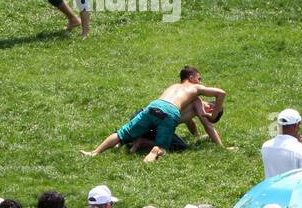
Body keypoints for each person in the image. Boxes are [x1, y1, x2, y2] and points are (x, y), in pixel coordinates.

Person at [83, 66, 226, 162]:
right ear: (191, 77)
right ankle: (156, 150)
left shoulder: (174, 86)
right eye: (199, 78)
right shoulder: (196, 91)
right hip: (170, 112)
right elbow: (221, 94)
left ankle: (94, 152)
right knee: (164, 146)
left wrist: (197, 134)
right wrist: (213, 117)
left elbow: (192, 122)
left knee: (122, 133)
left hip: (154, 106)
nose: (201, 82)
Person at [261, 108, 302, 178]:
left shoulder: (265, 147)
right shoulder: (301, 150)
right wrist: (300, 145)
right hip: (293, 189)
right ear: (296, 126)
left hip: (271, 188)